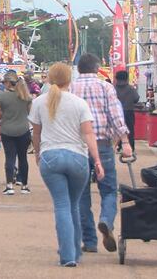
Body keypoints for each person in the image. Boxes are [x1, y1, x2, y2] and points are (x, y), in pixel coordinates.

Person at [29, 62, 104, 268]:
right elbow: (88, 134)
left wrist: (37, 153)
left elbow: (36, 133)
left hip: (51, 156)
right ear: (70, 80)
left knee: (62, 205)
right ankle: (74, 251)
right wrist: (97, 160)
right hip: (77, 157)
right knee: (74, 205)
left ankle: (68, 254)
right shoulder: (79, 103)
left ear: (49, 78)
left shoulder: (39, 102)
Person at [74, 53, 133, 254]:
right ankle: (106, 220)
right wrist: (125, 141)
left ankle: (89, 241)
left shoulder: (71, 88)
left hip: (78, 145)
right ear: (96, 68)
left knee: (81, 194)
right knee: (108, 190)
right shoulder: (105, 87)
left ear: (79, 68)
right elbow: (115, 115)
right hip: (102, 144)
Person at [0, 70, 33, 195]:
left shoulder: (2, 97)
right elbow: (30, 114)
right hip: (23, 130)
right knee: (23, 158)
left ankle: (9, 185)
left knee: (10, 158)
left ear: (9, 83)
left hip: (7, 130)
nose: (3, 84)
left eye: (4, 82)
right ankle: (24, 186)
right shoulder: (26, 96)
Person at [114, 70, 140, 147]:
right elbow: (136, 98)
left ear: (116, 78)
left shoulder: (113, 89)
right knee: (130, 130)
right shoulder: (131, 89)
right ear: (126, 78)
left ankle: (118, 146)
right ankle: (131, 147)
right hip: (129, 111)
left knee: (117, 129)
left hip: (116, 112)